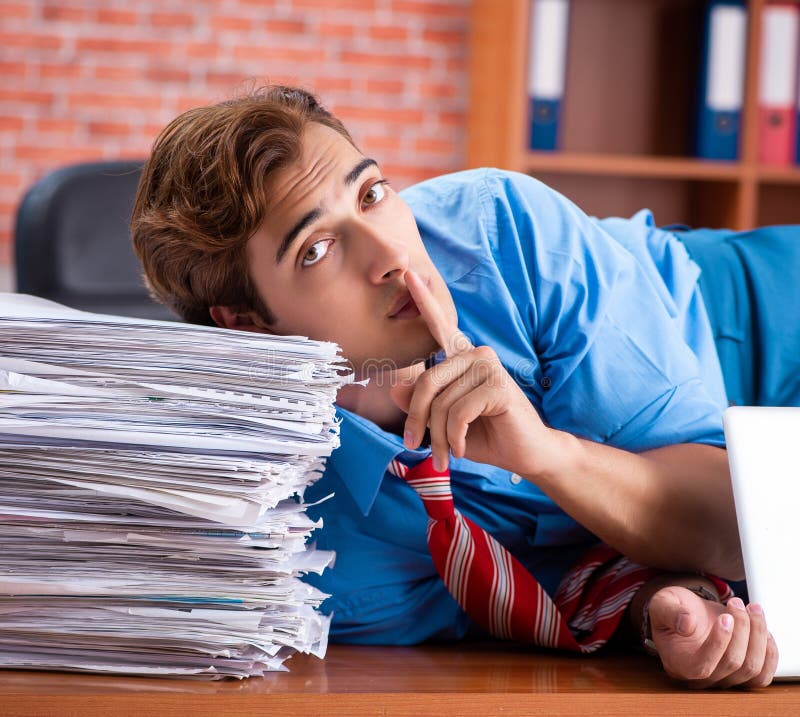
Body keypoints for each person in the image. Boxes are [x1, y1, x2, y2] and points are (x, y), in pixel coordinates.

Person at [130, 85, 786, 688]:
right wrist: (659, 607)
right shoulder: (291, 528)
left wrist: (547, 452)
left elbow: (738, 522)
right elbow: (532, 593)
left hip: (753, 319)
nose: (390, 253)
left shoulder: (506, 231)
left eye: (372, 194)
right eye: (317, 249)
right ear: (247, 323)